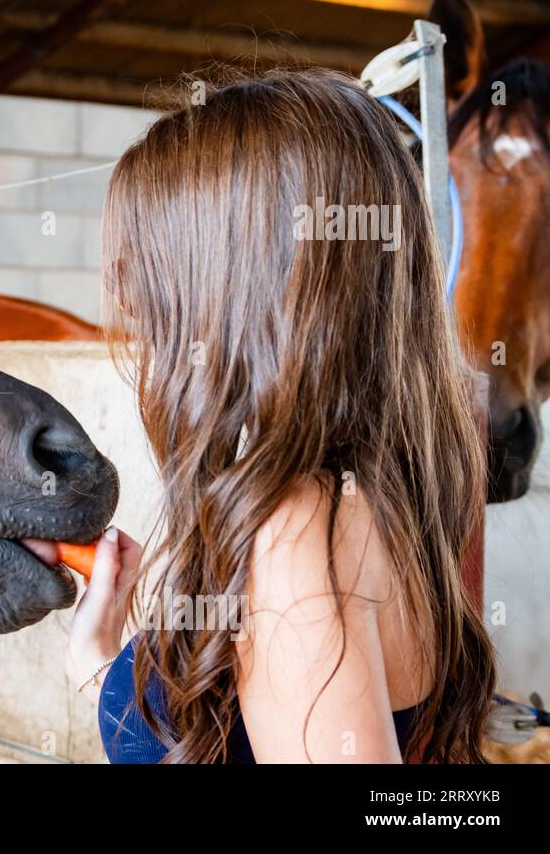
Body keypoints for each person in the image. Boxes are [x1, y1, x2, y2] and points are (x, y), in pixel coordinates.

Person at [60, 69, 495, 763]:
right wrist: (101, 663)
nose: (138, 304)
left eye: (165, 266)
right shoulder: (379, 491)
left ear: (248, 285)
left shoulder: (299, 530)